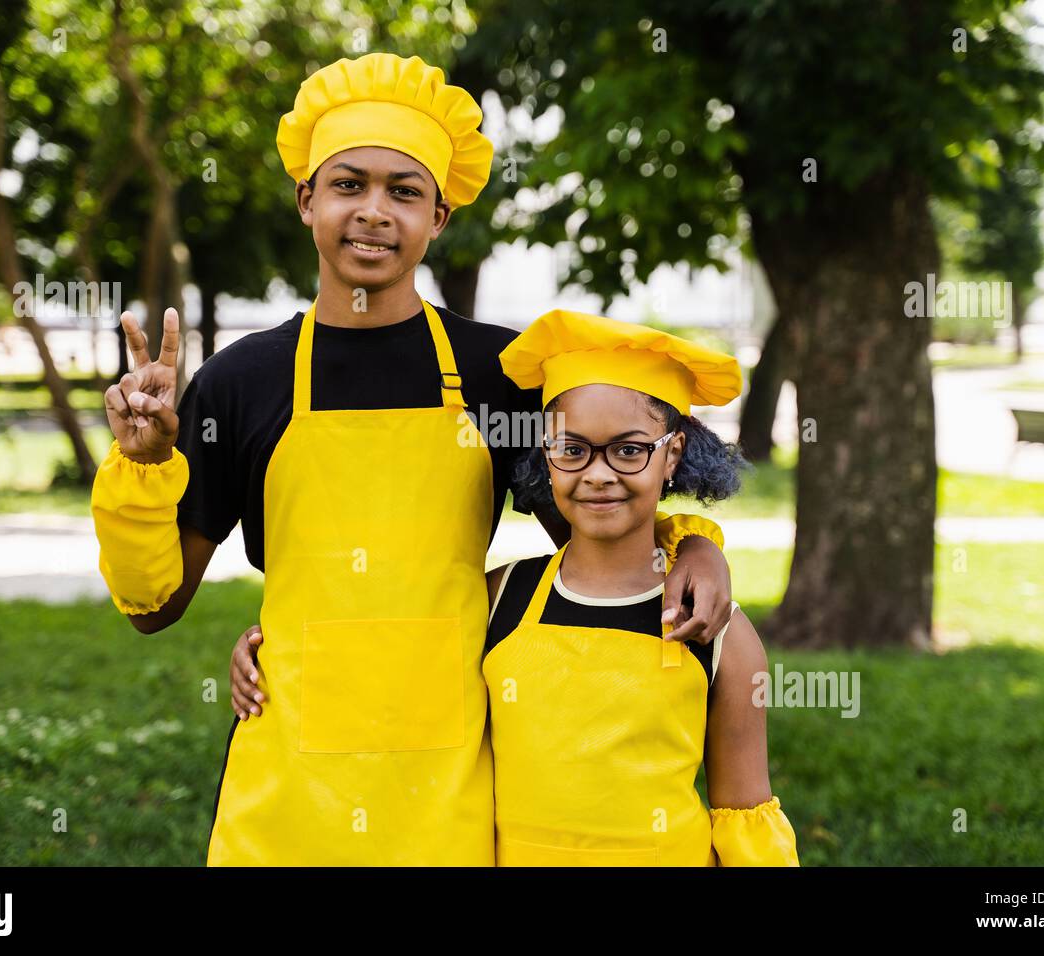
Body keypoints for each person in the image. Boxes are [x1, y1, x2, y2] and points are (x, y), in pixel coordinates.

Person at [92, 53, 736, 866]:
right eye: (349, 184)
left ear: (438, 218)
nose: (374, 211)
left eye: (404, 192)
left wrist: (695, 546)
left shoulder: (500, 377)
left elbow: (603, 527)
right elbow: (152, 606)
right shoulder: (240, 383)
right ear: (306, 201)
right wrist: (147, 465)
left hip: (452, 783)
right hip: (287, 785)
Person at [232, 309, 800, 866]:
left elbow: (743, 812)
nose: (598, 473)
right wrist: (269, 651)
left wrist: (697, 544)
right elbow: (394, 648)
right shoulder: (501, 600)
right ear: (545, 456)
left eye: (629, 450)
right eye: (572, 449)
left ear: (671, 454)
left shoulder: (717, 629)